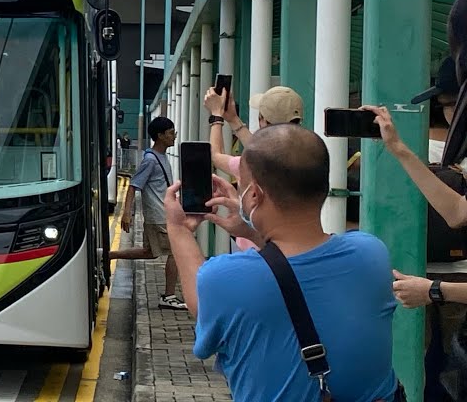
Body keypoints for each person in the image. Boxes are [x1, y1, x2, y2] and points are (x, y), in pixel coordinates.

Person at [166, 124, 401, 402]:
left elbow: (201, 301)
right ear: (324, 188)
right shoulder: (370, 252)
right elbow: (296, 265)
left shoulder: (226, 277)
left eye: (240, 185)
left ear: (253, 195)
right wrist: (254, 231)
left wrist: (178, 228)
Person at [202, 84, 305, 250]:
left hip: (255, 247)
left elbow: (215, 155)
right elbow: (262, 148)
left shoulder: (251, 164)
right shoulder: (307, 157)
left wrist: (216, 116)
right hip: (295, 247)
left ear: (262, 120)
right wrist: (233, 120)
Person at [111, 116, 185, 310]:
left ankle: (108, 255)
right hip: (158, 215)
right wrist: (127, 213)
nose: (174, 136)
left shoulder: (161, 157)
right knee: (176, 252)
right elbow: (134, 186)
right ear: (160, 136)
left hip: (162, 214)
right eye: (170, 133)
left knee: (150, 252)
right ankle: (168, 296)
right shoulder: (151, 160)